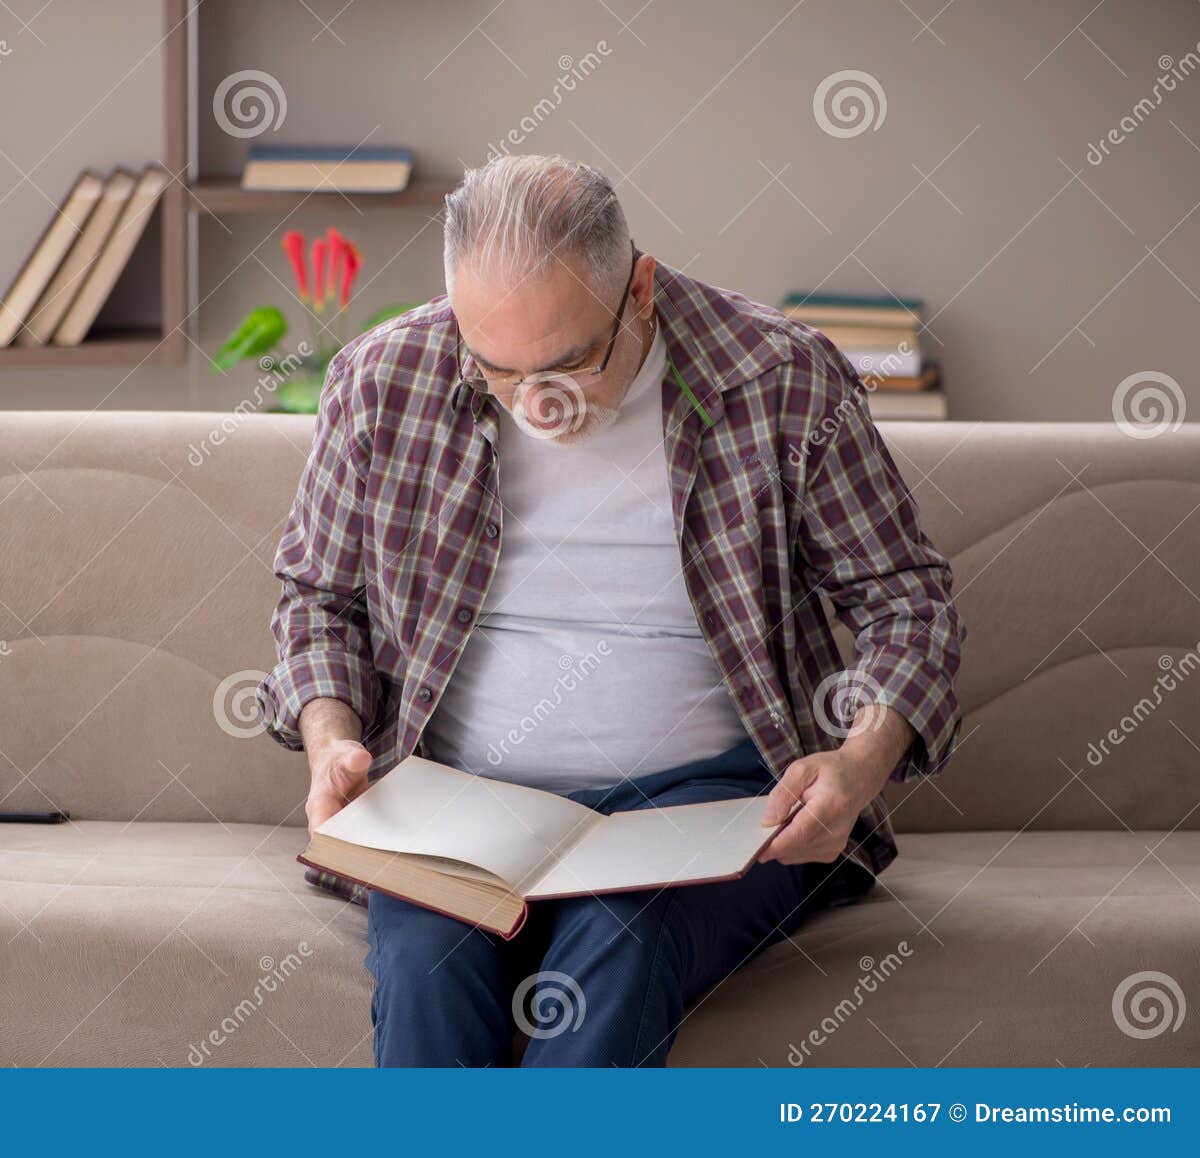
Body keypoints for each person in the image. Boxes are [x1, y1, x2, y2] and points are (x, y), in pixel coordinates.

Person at [258, 154, 963, 1067]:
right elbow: (317, 595)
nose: (535, 405)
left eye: (566, 364)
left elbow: (904, 598)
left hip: (706, 798)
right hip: (456, 801)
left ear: (640, 291)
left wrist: (857, 767)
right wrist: (330, 741)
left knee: (620, 950)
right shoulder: (382, 378)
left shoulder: (783, 377)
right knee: (427, 972)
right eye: (495, 371)